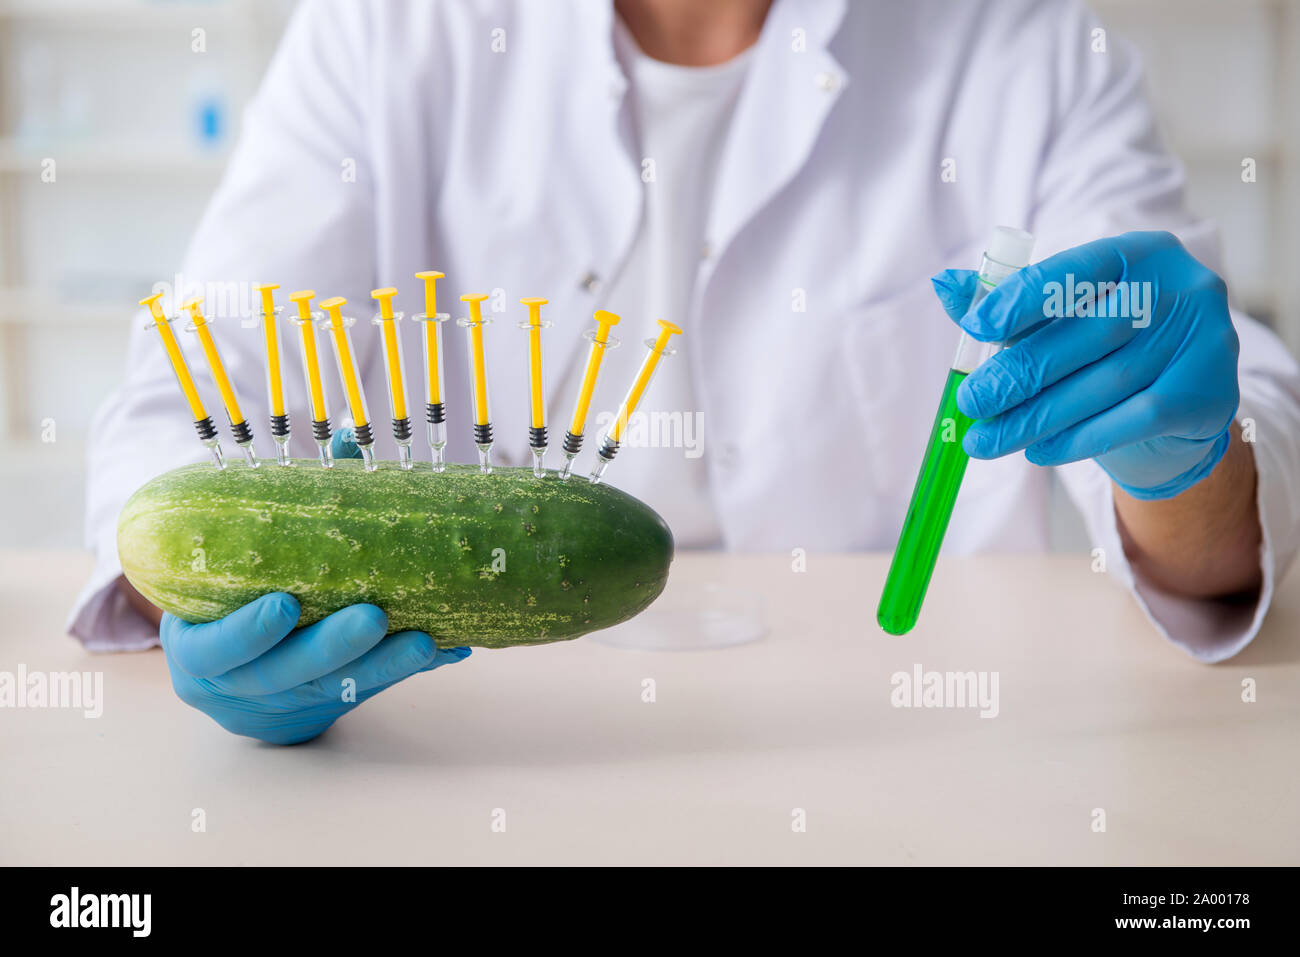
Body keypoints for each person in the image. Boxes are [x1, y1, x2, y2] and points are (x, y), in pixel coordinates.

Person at [69, 0, 1300, 743]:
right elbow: (189, 387)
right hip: (472, 731)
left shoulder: (1022, 46)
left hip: (899, 727)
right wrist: (202, 582)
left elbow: (1215, 538)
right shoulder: (389, 28)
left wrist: (1184, 454)